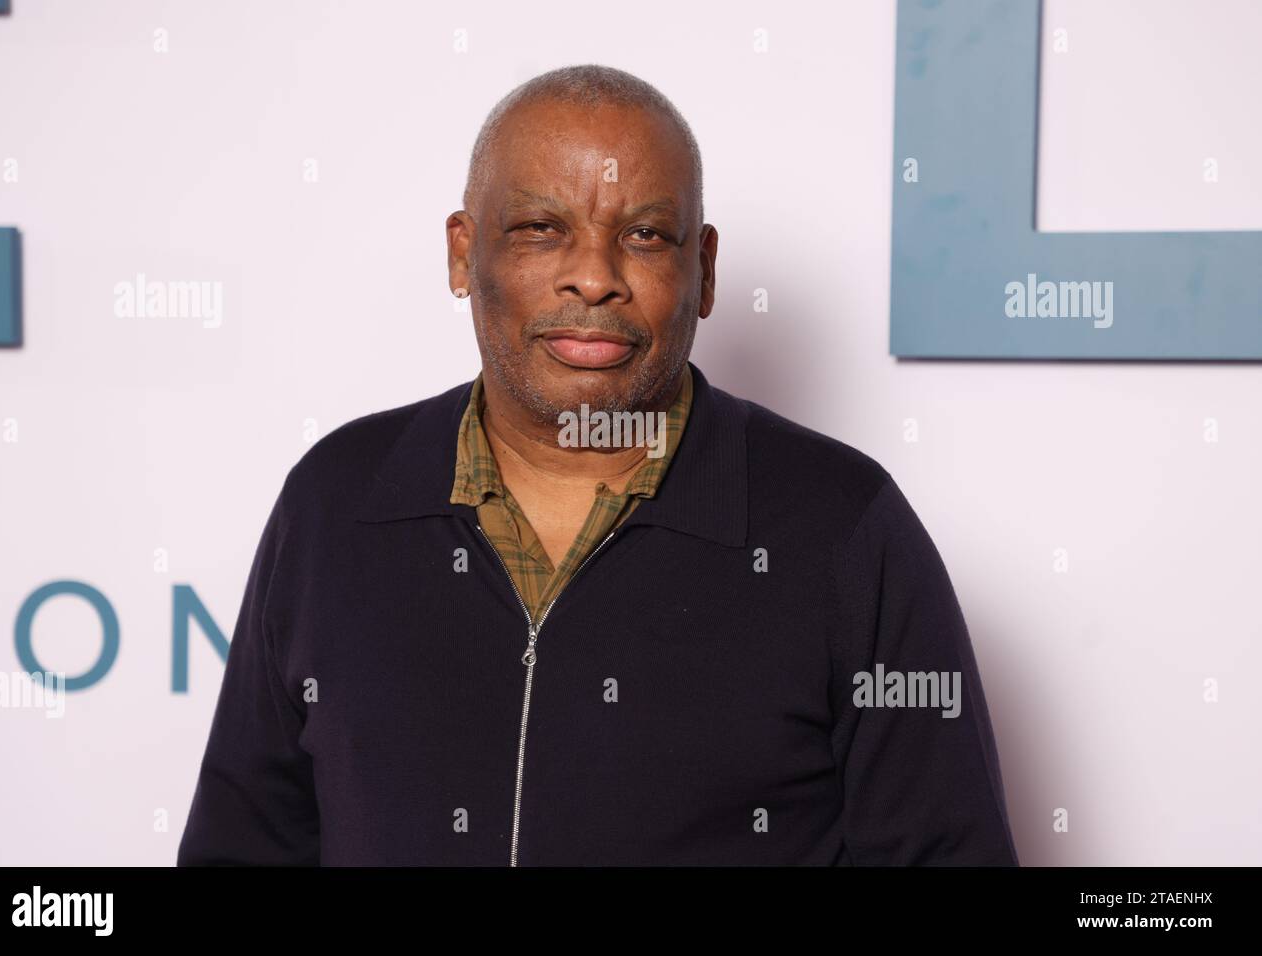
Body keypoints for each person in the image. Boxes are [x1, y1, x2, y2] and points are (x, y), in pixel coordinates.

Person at [177, 64, 1018, 866]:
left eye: (646, 236)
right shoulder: (337, 499)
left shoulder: (842, 526)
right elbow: (244, 847)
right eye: (542, 230)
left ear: (705, 269)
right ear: (462, 253)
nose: (593, 278)